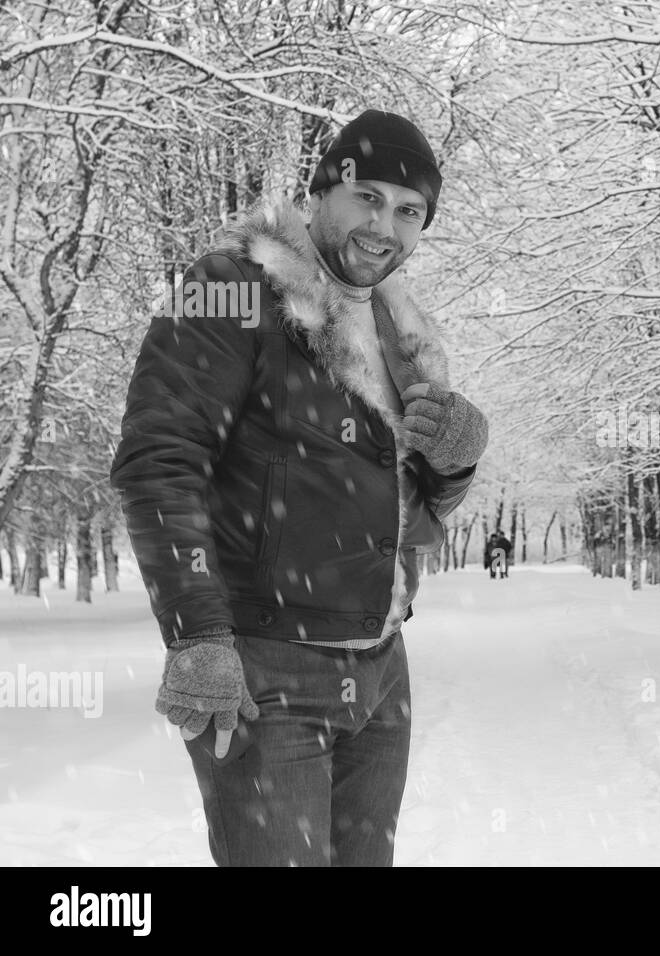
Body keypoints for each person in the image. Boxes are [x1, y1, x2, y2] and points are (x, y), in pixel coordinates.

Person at [109, 109, 488, 866]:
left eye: (410, 211)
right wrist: (198, 636)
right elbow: (159, 460)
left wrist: (453, 464)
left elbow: (404, 514)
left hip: (380, 673)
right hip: (265, 674)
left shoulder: (400, 334)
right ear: (322, 191)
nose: (386, 225)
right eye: (368, 197)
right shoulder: (228, 289)